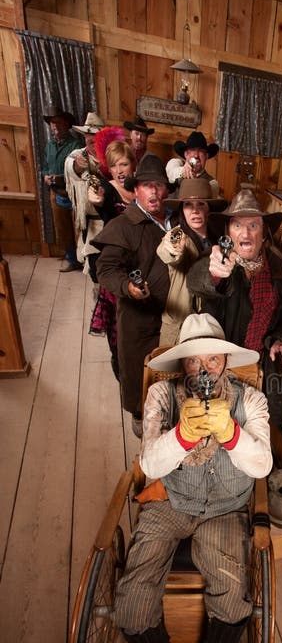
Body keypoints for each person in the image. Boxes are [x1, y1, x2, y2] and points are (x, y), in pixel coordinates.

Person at [114, 313, 273, 643]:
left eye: (212, 360)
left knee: (234, 597)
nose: (204, 370)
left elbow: (262, 465)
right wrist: (182, 436)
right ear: (182, 364)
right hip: (172, 501)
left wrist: (231, 433)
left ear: (225, 361)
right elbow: (150, 465)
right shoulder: (162, 396)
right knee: (130, 601)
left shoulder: (251, 400)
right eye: (193, 361)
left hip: (225, 509)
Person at [186, 188, 282, 400]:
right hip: (216, 368)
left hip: (257, 367)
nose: (245, 234)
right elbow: (195, 281)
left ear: (264, 234)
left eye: (253, 225)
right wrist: (214, 274)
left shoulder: (280, 271)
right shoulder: (216, 260)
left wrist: (280, 339)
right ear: (228, 233)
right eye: (237, 225)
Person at [91, 153, 173, 436]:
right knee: (140, 370)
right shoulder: (124, 226)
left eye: (159, 185)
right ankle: (141, 416)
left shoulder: (177, 219)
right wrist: (127, 287)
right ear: (136, 189)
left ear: (166, 190)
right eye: (148, 185)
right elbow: (106, 268)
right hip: (140, 316)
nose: (154, 191)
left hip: (176, 313)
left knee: (173, 369)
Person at [87, 138, 137, 378]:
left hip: (139, 262)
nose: (119, 170)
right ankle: (120, 367)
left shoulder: (140, 188)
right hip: (116, 264)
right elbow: (101, 202)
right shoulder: (107, 189)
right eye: (114, 165)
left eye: (124, 164)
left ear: (133, 165)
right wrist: (96, 200)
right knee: (116, 323)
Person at [157, 178, 228, 345]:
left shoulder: (219, 238)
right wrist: (172, 247)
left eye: (201, 204)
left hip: (211, 322)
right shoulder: (179, 235)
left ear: (209, 208)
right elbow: (166, 250)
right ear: (182, 209)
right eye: (188, 204)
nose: (195, 211)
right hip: (180, 326)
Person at [40, 104, 84, 272]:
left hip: (73, 194)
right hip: (56, 194)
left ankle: (82, 260)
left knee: (79, 228)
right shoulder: (49, 146)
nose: (55, 126)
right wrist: (45, 175)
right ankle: (71, 260)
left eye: (58, 122)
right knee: (63, 229)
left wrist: (59, 178)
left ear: (66, 124)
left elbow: (79, 171)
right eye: (52, 123)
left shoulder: (75, 145)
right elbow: (45, 166)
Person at [63, 113, 106, 280]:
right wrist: (77, 166)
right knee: (93, 264)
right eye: (89, 138)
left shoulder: (111, 155)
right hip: (91, 222)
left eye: (96, 138)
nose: (93, 142)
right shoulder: (78, 155)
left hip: (111, 219)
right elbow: (70, 166)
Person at [165, 130, 221, 197]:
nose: (196, 155)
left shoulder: (212, 183)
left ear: (206, 156)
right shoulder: (175, 163)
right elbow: (171, 173)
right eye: (193, 150)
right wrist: (183, 171)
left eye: (201, 151)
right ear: (186, 154)